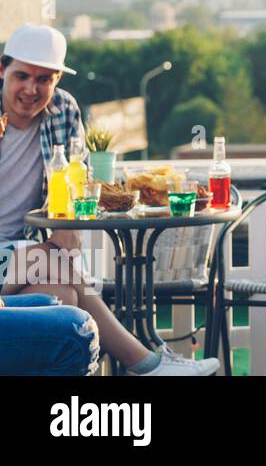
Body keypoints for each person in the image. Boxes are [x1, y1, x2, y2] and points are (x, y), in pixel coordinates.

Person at [0, 23, 218, 375]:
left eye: (44, 79)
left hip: (28, 254)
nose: (31, 89)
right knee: (49, 264)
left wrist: (65, 238)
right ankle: (145, 363)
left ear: (56, 80)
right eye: (21, 76)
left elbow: (75, 189)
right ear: (2, 70)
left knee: (62, 297)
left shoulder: (63, 111)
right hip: (19, 257)